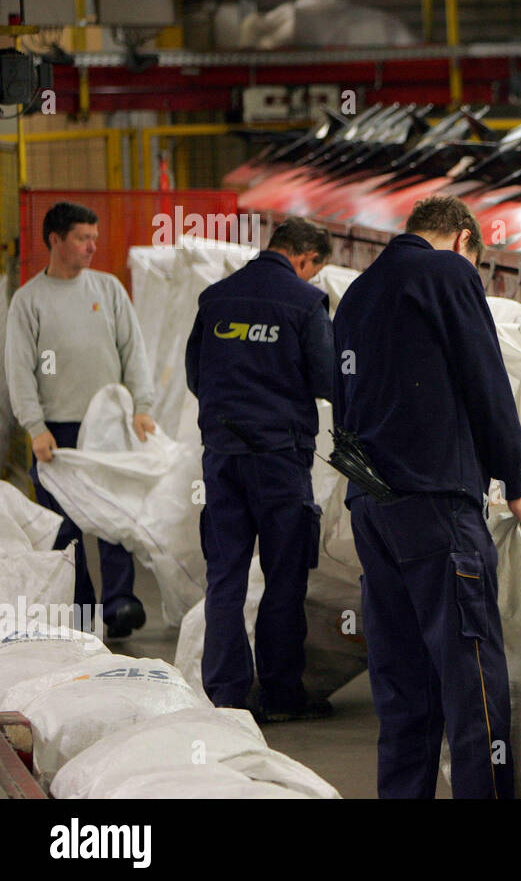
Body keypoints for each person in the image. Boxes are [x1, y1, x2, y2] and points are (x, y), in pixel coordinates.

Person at [333, 195, 521, 799]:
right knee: (472, 680)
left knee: (403, 684)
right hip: (436, 506)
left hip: (372, 507)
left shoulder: (357, 292)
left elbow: (341, 397)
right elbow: (485, 377)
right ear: (462, 240)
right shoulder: (448, 271)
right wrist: (514, 481)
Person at [184, 218, 335, 722]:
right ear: (305, 258)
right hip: (280, 459)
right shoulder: (306, 303)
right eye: (314, 270)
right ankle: (281, 694)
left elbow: (195, 375)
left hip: (222, 455)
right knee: (284, 575)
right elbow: (328, 379)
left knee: (225, 574)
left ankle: (226, 696)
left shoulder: (216, 298)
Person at [5, 201, 155, 638]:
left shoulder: (108, 290)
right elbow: (20, 369)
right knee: (65, 528)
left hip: (107, 426)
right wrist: (35, 427)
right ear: (55, 240)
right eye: (83, 238)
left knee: (113, 518)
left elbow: (133, 350)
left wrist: (142, 406)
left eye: (94, 238)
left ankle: (120, 603)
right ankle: (81, 611)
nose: (92, 247)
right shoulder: (29, 301)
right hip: (56, 431)